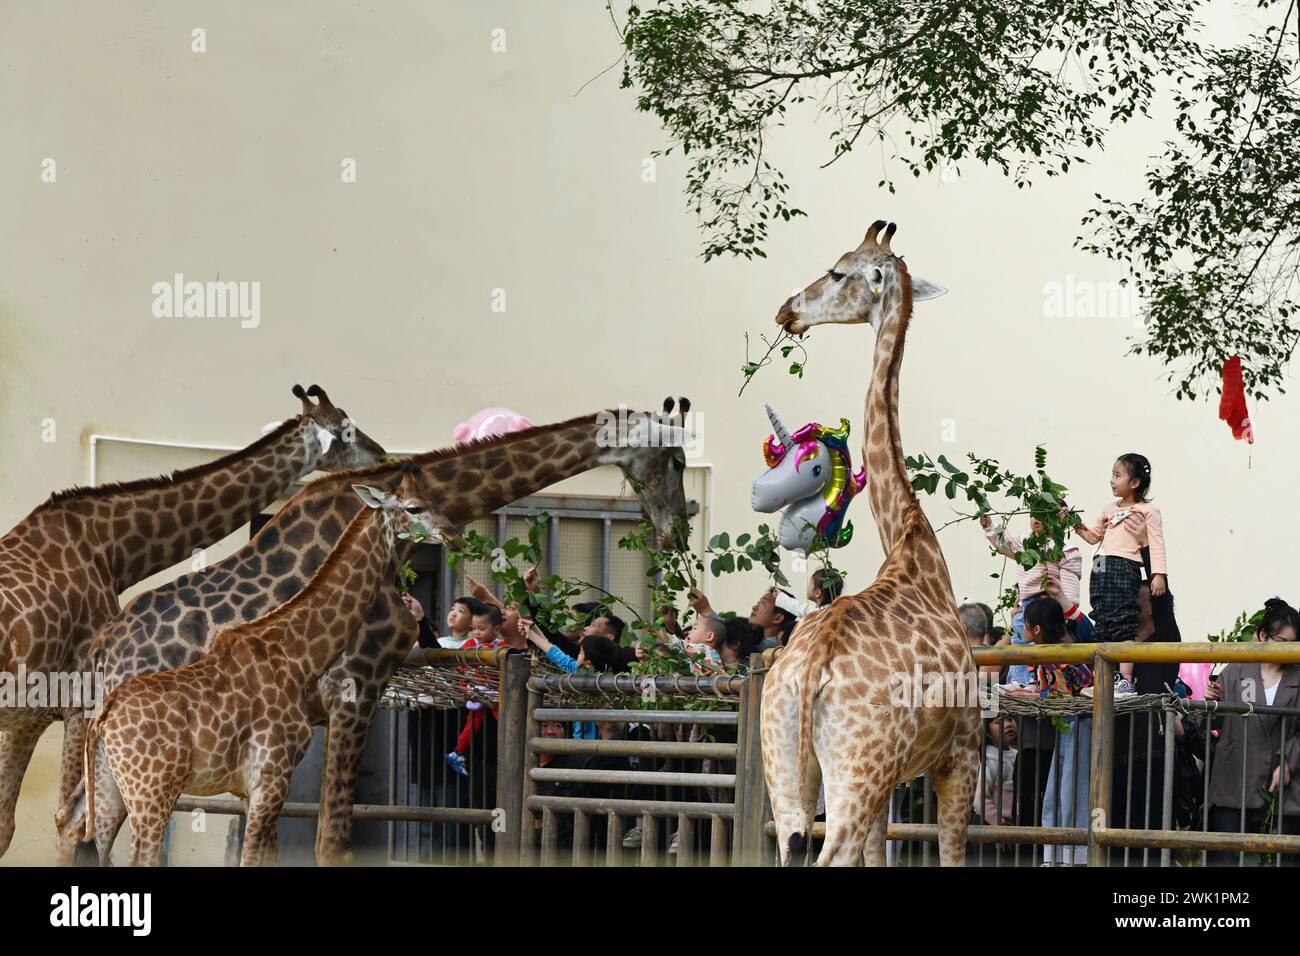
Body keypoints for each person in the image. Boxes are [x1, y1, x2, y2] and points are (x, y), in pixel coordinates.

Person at [1205, 598, 1300, 865]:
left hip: (1284, 787)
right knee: (1228, 858)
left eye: (1293, 644)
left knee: (1284, 858)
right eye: (1281, 642)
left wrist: (1289, 762)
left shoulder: (1298, 676)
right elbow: (1213, 724)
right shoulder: (1236, 670)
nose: (1288, 650)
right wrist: (1211, 701)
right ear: (1261, 636)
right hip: (1234, 780)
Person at [1070, 453, 1168, 693]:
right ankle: (1105, 679)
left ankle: (1124, 679)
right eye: (1112, 474)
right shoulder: (1108, 508)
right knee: (1102, 621)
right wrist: (1072, 521)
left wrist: (1158, 574)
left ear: (1134, 483)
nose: (1112, 480)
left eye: (1117, 475)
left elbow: (1156, 543)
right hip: (1099, 566)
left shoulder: (1148, 510)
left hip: (1125, 566)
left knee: (1123, 620)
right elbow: (1094, 536)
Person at [1015, 595, 1094, 864]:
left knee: (1072, 792)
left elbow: (1058, 695)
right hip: (1069, 724)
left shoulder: (1058, 655)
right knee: (1056, 794)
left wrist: (1031, 697)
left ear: (1036, 629)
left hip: (1079, 723)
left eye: (1024, 624)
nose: (1021, 629)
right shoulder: (1054, 651)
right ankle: (1055, 855)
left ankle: (1075, 857)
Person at [980, 511, 1083, 688]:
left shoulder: (1065, 548)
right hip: (1026, 604)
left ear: (1058, 519)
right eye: (1034, 514)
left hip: (1049, 606)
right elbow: (1004, 543)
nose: (1036, 519)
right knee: (1019, 643)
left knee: (1046, 647)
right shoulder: (1025, 543)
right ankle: (1019, 682)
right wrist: (989, 525)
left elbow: (1070, 588)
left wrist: (1065, 607)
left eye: (1043, 515)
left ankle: (1040, 682)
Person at [444, 605, 507, 777]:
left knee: (505, 719)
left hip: (494, 693)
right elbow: (459, 667)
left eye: (482, 628)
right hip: (475, 692)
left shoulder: (502, 647)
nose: (477, 632)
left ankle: (512, 747)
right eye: (474, 628)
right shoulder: (470, 644)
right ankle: (458, 752)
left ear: (497, 629)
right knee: (472, 724)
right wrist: (465, 687)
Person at [975, 716, 1018, 826]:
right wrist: (1000, 824)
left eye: (1010, 718)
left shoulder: (1017, 755)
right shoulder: (989, 760)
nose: (1008, 724)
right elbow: (980, 801)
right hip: (992, 827)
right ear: (986, 729)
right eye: (998, 722)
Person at [402, 593, 484, 650]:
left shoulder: (472, 645)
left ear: (472, 622)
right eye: (452, 609)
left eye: (460, 611)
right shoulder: (440, 641)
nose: (453, 613)